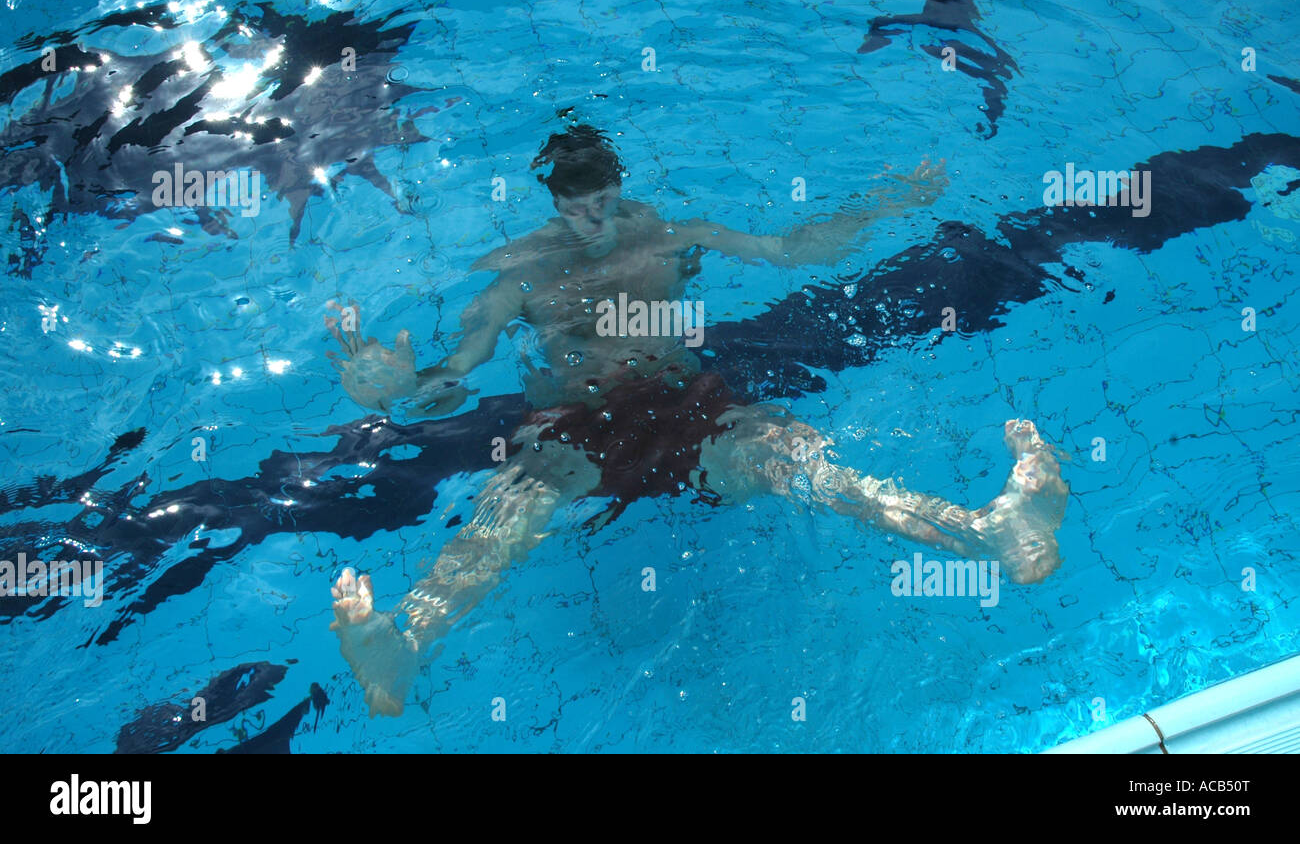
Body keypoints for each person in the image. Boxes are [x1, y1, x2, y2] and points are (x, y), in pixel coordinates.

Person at [323, 124, 1070, 717]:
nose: (592, 221)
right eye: (576, 208)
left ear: (620, 190)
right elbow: (455, 377)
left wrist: (880, 208)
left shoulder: (669, 237)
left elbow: (786, 249)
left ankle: (985, 530)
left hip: (691, 414)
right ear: (551, 203)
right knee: (507, 511)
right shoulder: (518, 275)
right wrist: (394, 390)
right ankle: (406, 642)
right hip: (578, 430)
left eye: (604, 202)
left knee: (798, 465)